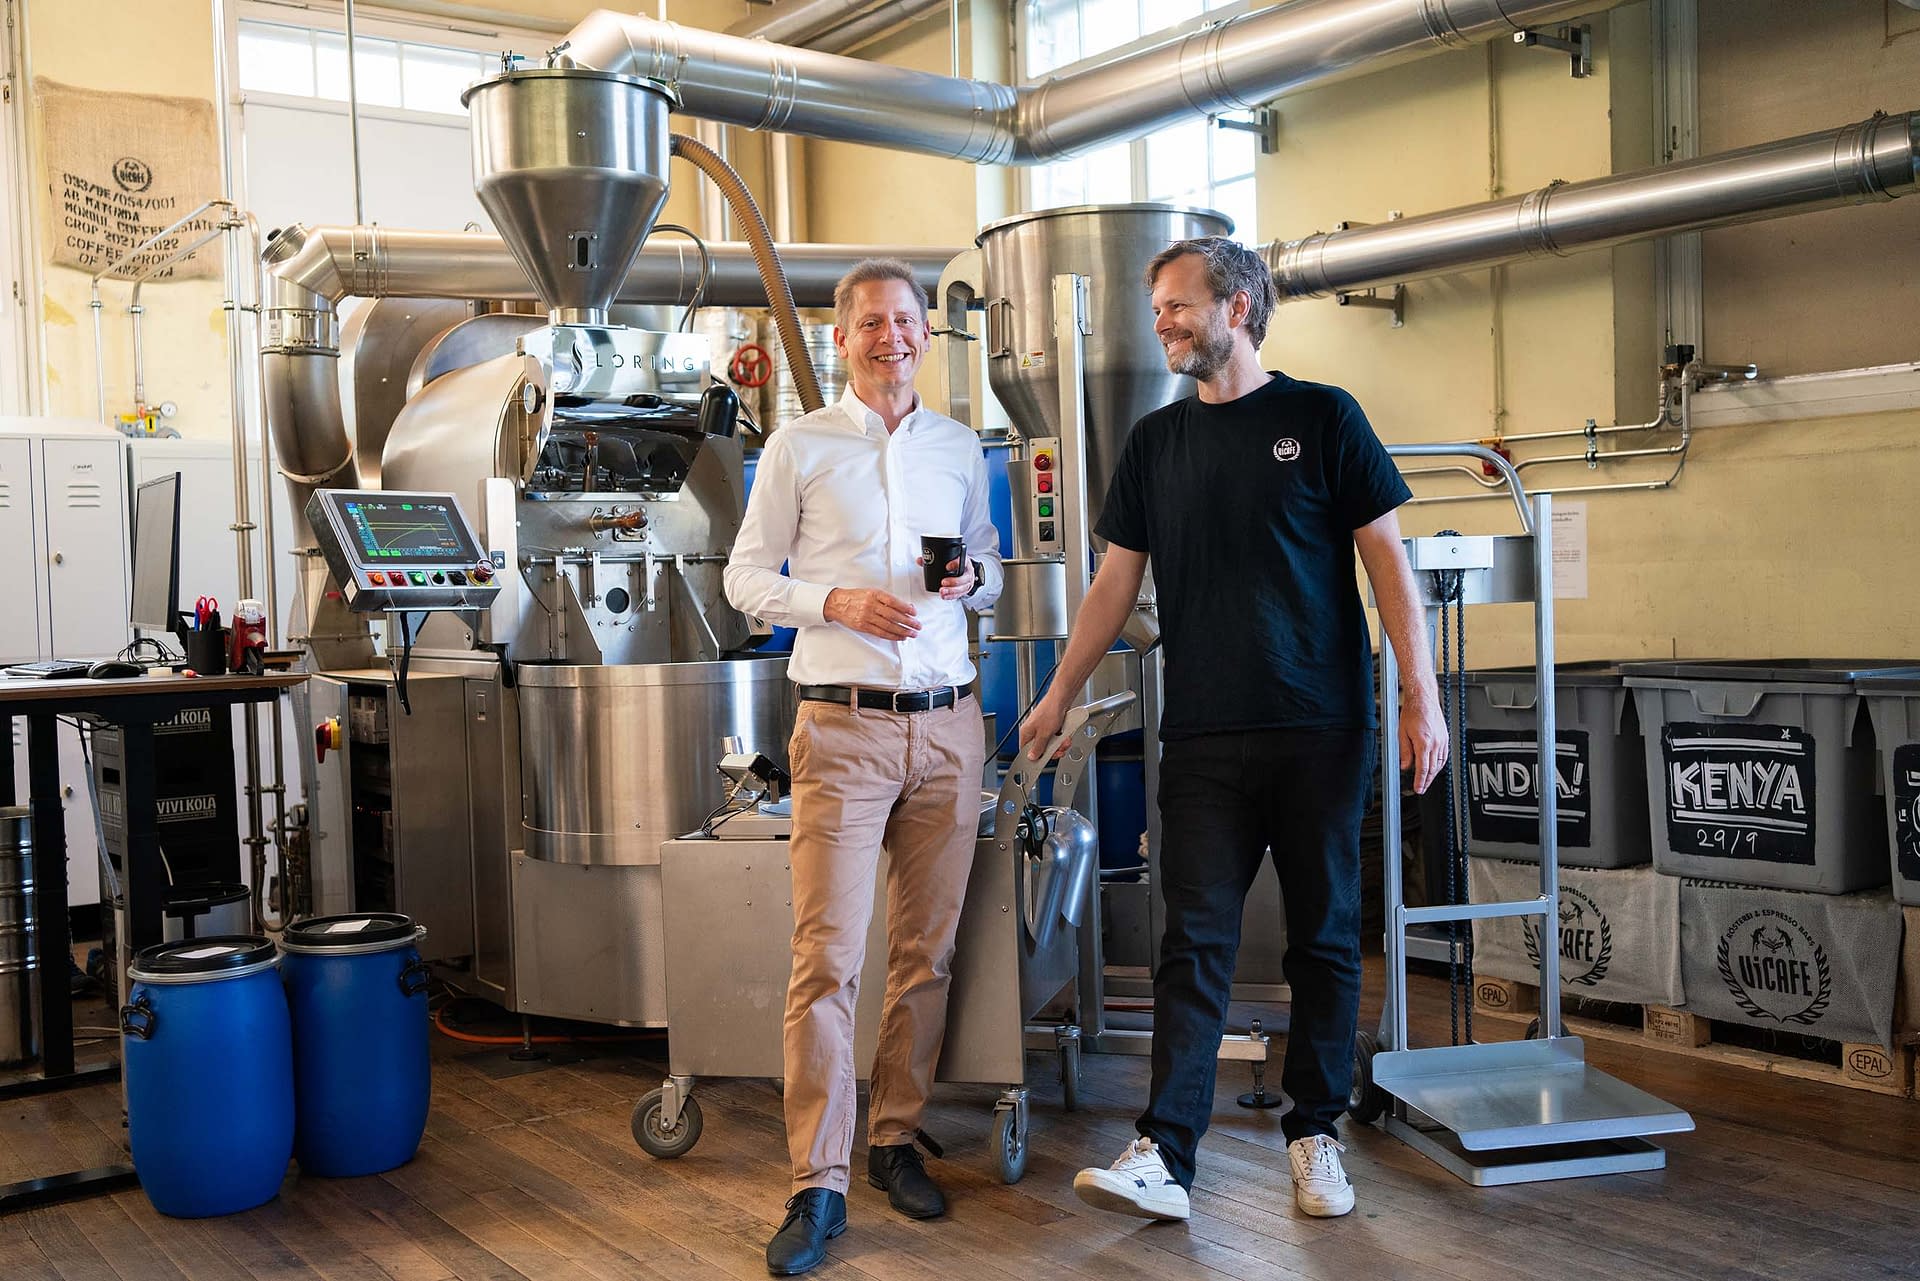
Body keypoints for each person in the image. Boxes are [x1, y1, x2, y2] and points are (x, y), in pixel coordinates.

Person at [1018, 236, 1446, 1223]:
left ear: (1238, 306)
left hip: (1320, 728)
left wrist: (1418, 694)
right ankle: (1166, 1152)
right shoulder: (1157, 445)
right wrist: (1055, 692)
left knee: (1326, 941)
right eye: (1157, 305)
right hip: (1204, 736)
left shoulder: (1322, 417)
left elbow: (1388, 560)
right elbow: (1113, 584)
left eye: (1175, 305)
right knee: (1194, 944)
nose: (1161, 322)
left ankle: (1315, 1134)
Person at [724, 258, 1003, 1277]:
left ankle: (894, 1139)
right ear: (843, 339)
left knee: (925, 953)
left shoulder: (957, 446)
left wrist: (976, 578)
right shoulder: (800, 445)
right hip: (841, 729)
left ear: (928, 333)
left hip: (948, 724)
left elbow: (989, 562)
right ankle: (818, 1182)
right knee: (828, 959)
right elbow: (745, 578)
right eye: (870, 323)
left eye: (906, 320)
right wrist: (832, 602)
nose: (891, 336)